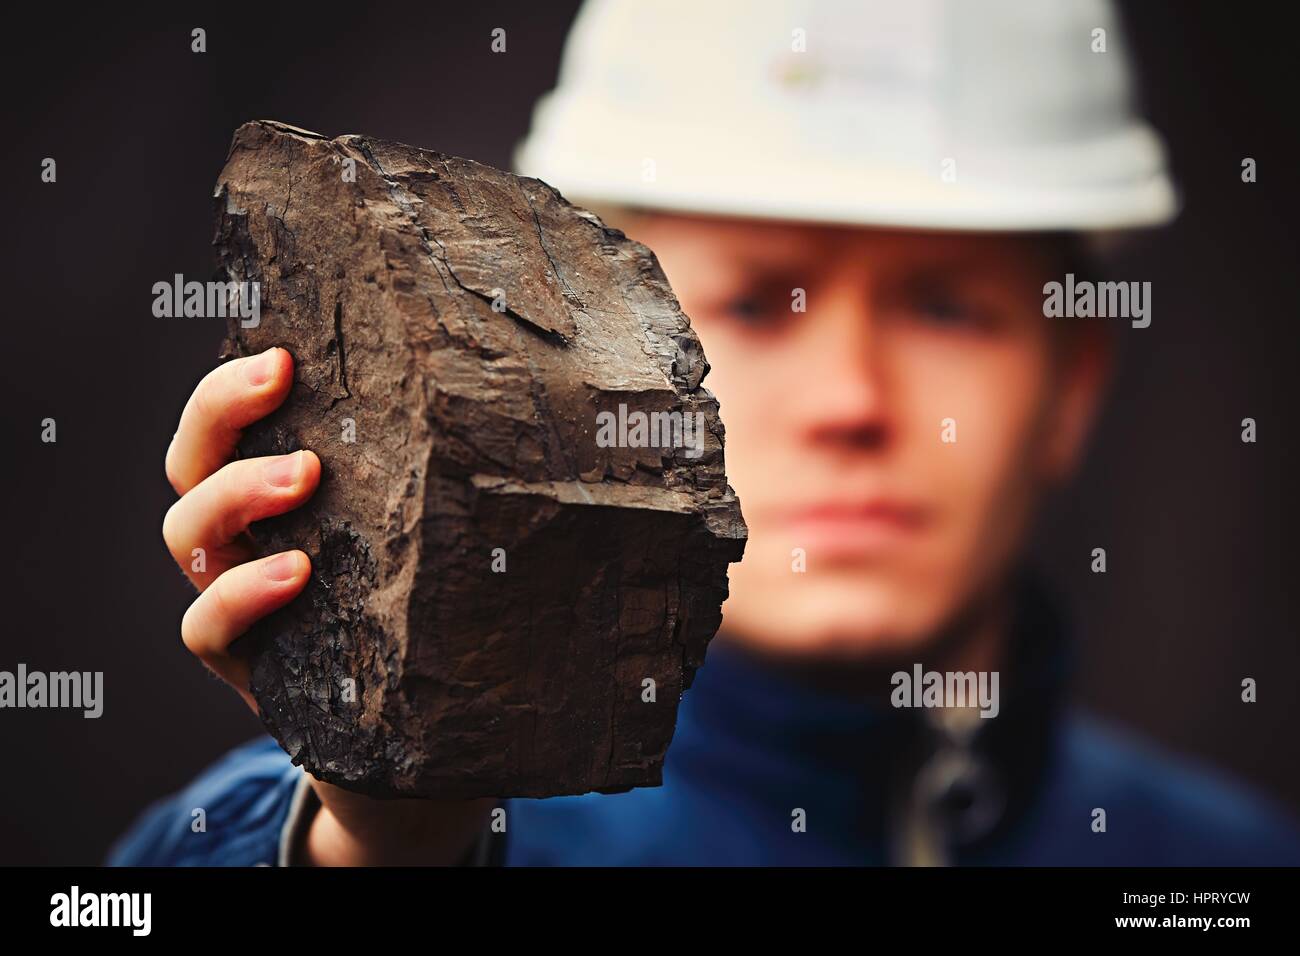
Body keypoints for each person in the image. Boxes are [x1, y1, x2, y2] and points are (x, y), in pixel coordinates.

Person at [111, 0, 1300, 866]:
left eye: (947, 307)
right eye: (750, 303)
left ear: (1073, 381)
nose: (852, 399)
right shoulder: (415, 838)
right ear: (574, 353)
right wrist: (382, 836)